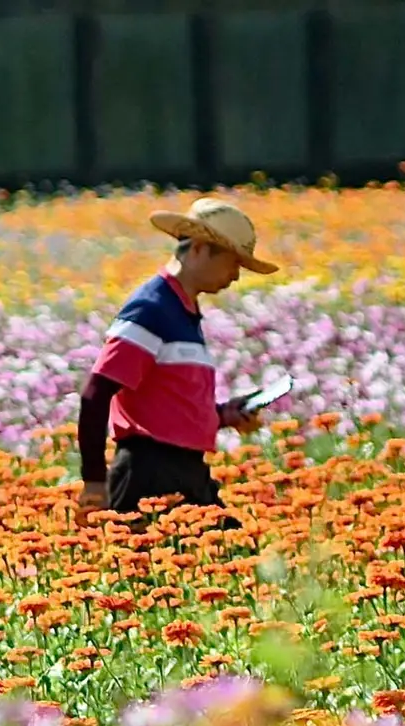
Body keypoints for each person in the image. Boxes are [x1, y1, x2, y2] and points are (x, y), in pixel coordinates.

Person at [76, 197, 281, 523]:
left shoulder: (183, 312)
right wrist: (95, 481)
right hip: (149, 474)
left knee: (233, 556)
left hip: (186, 469)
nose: (236, 276)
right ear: (199, 248)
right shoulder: (151, 309)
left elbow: (170, 406)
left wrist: (224, 415)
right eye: (232, 263)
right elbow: (95, 394)